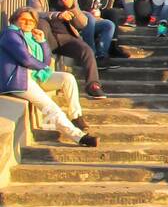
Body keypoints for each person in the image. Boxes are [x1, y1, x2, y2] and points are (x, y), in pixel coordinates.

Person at [0, 8, 96, 146]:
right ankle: (79, 137)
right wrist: (44, 68)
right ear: (14, 20)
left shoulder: (30, 37)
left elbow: (46, 61)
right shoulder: (10, 35)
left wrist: (42, 42)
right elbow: (26, 60)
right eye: (23, 20)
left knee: (67, 78)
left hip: (35, 76)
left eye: (31, 21)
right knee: (50, 107)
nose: (27, 23)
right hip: (19, 80)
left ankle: (76, 116)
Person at [29, 0, 105, 98]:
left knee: (87, 51)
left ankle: (93, 85)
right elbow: (35, 14)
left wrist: (72, 8)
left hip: (66, 37)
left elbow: (82, 24)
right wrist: (58, 15)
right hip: (48, 37)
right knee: (41, 22)